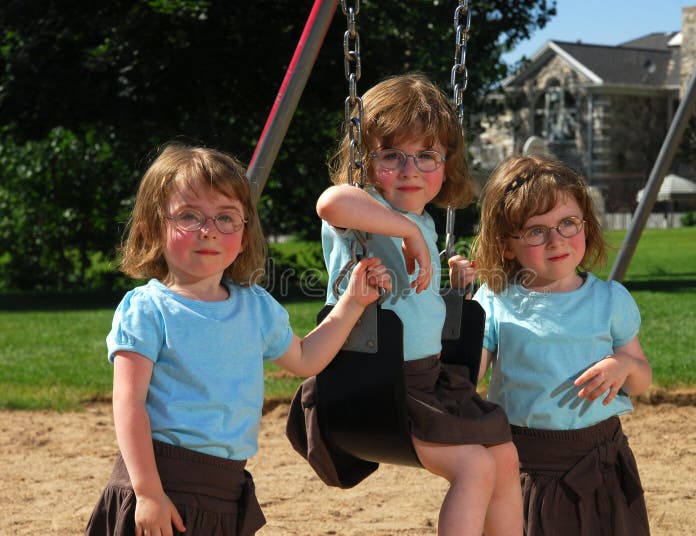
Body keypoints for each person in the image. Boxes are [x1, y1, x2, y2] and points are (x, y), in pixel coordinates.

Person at [85, 143, 391, 536]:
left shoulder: (255, 307)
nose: (209, 230)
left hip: (226, 487)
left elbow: (305, 358)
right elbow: (129, 406)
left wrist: (351, 303)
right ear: (151, 229)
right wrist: (147, 493)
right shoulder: (147, 309)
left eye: (226, 218)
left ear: (244, 236)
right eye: (189, 216)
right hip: (161, 482)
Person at [314, 73, 523, 535]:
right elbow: (330, 202)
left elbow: (413, 304)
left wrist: (454, 294)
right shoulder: (364, 208)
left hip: (430, 384)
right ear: (363, 162)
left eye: (426, 156)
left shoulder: (425, 221)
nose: (410, 170)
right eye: (391, 155)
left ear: (446, 164)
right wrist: (404, 232)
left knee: (504, 457)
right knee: (474, 467)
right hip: (375, 388)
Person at [472, 154, 652, 535]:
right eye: (536, 231)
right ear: (506, 244)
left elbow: (640, 379)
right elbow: (467, 375)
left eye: (568, 223)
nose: (557, 240)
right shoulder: (495, 300)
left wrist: (623, 365)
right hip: (526, 464)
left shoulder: (609, 299)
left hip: (601, 461)